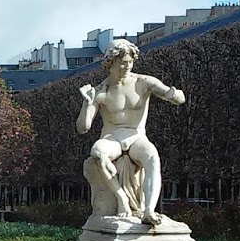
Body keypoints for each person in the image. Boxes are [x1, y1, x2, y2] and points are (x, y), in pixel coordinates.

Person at [75, 38, 186, 226]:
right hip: (112, 138)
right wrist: (87, 103)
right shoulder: (101, 90)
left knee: (152, 157)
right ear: (111, 63)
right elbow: (83, 128)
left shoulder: (143, 82)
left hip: (136, 137)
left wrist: (172, 94)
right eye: (122, 63)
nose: (127, 67)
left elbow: (180, 97)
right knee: (98, 153)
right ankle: (122, 199)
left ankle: (149, 210)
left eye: (130, 62)